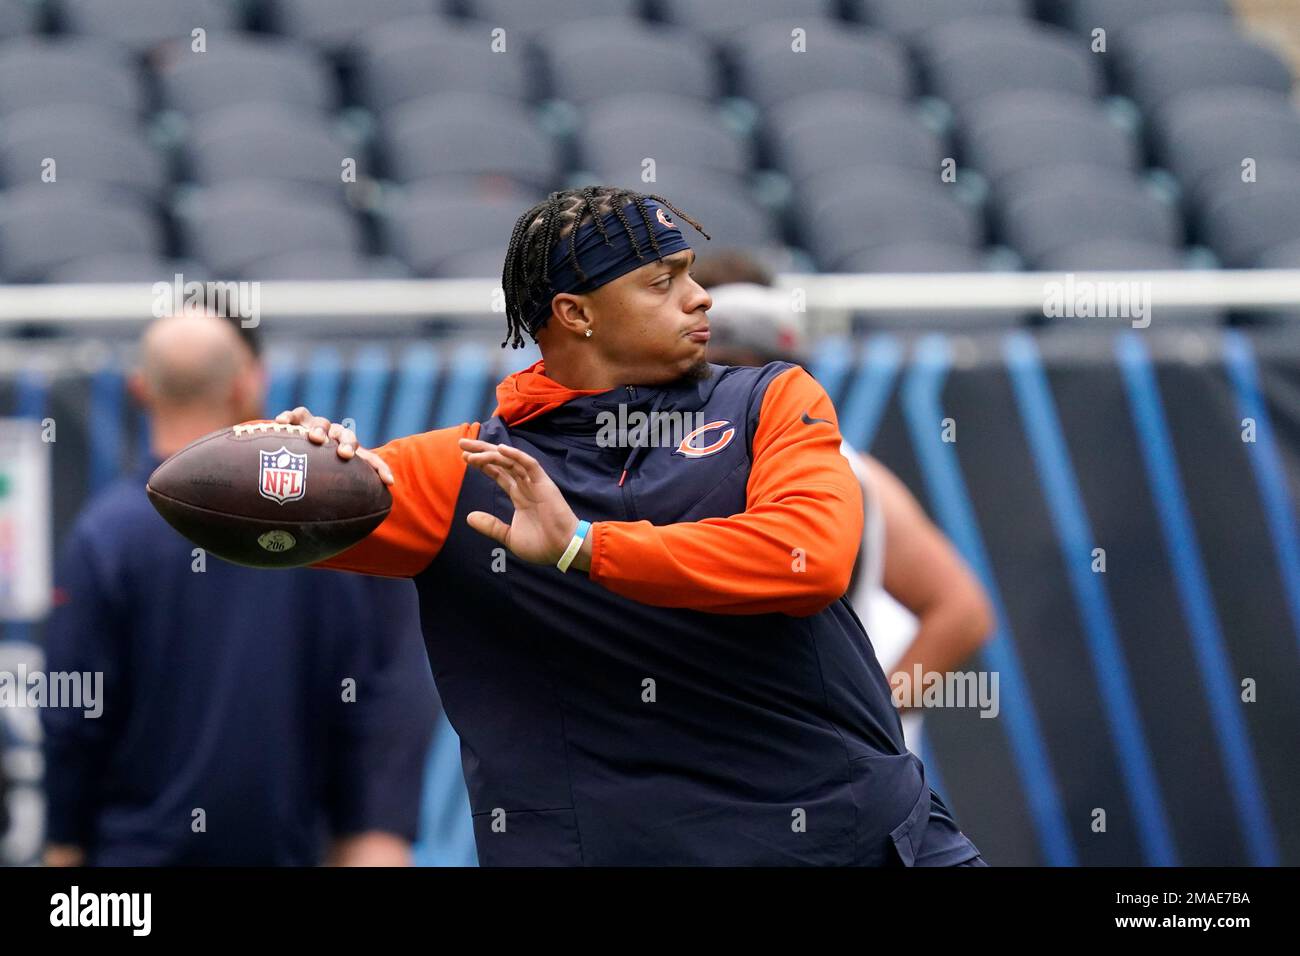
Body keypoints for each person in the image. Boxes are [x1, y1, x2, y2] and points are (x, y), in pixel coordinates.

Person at [274, 184, 988, 866]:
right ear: (576, 314)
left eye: (689, 273)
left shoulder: (771, 401)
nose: (699, 295)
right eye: (662, 280)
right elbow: (254, 513)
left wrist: (583, 548)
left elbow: (808, 559)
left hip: (856, 838)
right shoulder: (463, 470)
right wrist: (292, 458)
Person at [42, 312, 436, 866]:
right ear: (248, 383)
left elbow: (74, 717)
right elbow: (387, 705)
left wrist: (63, 845)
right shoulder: (336, 529)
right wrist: (377, 834)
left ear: (139, 389)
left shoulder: (104, 535)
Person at [692, 256, 996, 758]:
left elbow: (963, 612)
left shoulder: (847, 476)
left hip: (811, 780)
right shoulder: (676, 467)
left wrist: (869, 725)